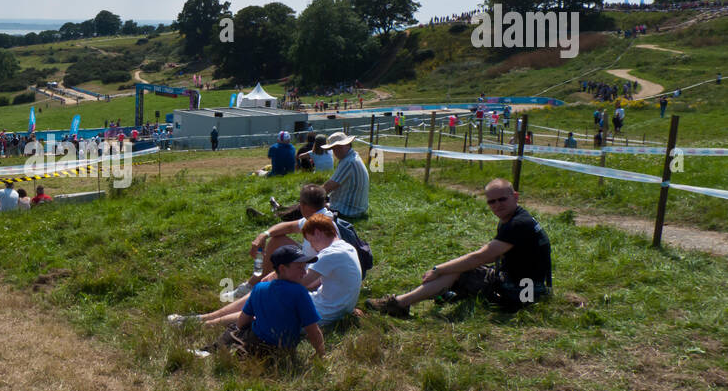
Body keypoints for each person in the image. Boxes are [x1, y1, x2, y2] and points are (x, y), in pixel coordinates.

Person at [366, 178, 551, 317]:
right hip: (528, 285)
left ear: (515, 196)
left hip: (523, 293)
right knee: (461, 269)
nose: (497, 205)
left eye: (502, 199)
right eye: (491, 202)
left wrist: (438, 269)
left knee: (457, 271)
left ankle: (398, 304)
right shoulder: (517, 218)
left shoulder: (517, 224)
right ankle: (434, 295)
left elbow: (480, 257)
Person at [173, 245, 324, 359]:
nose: (304, 272)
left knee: (238, 326)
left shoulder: (259, 288)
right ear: (282, 269)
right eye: (299, 267)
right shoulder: (300, 293)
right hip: (283, 353)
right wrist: (320, 353)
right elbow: (312, 329)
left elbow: (243, 318)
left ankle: (211, 350)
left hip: (255, 347)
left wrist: (234, 333)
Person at [321, 132, 369, 219]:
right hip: (356, 208)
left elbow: (328, 187)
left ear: (348, 144)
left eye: (339, 147)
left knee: (309, 205)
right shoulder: (353, 157)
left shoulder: (348, 162)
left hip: (347, 211)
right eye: (334, 149)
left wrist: (310, 196)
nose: (336, 151)